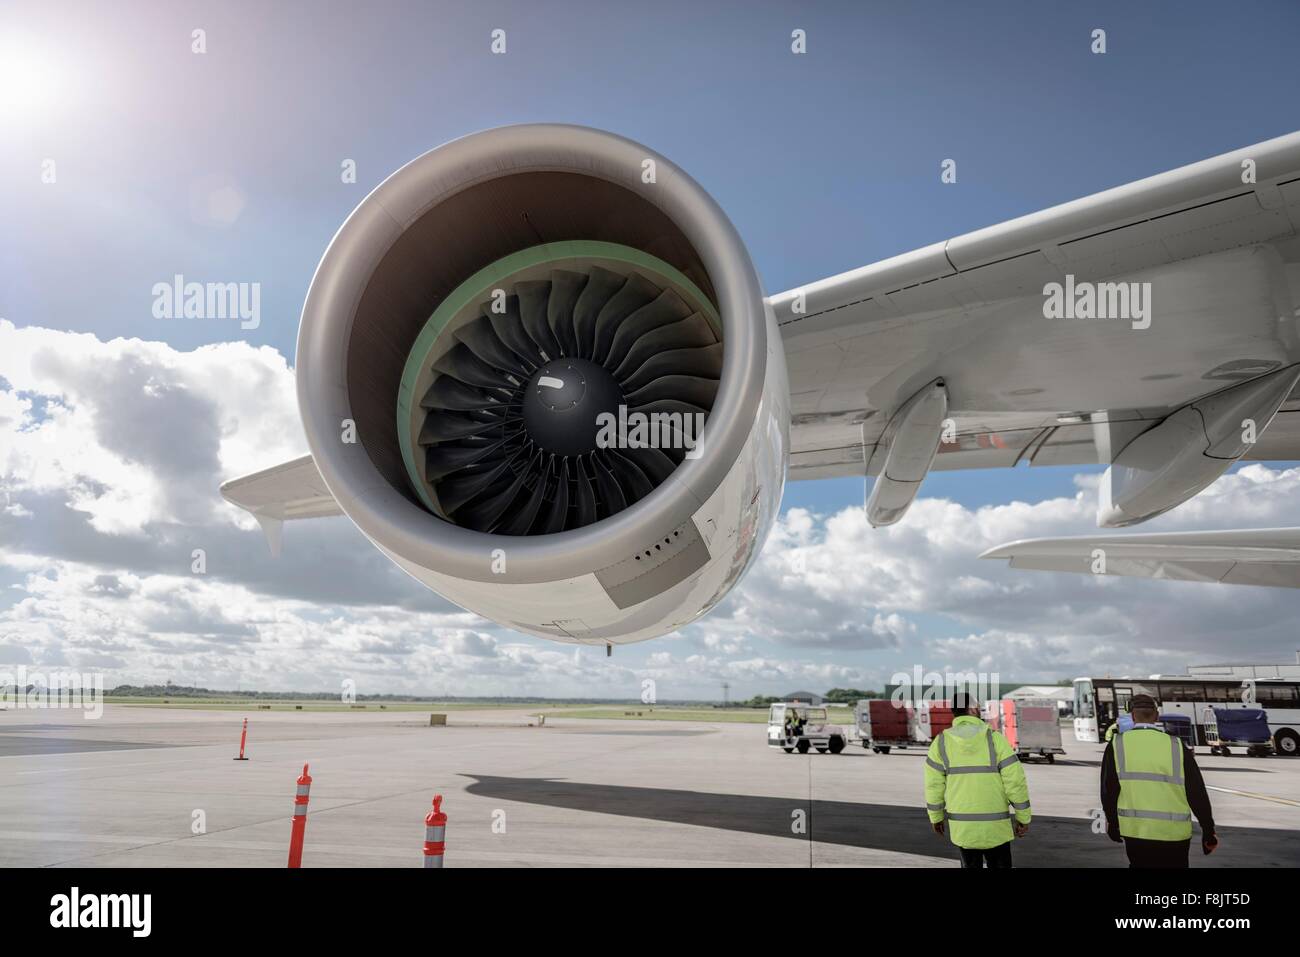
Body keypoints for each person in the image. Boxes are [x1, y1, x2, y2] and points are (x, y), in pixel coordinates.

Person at [1101, 693, 1218, 868]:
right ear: (1156, 716)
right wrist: (1208, 830)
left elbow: (1109, 790)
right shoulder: (1176, 745)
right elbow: (1196, 791)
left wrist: (1112, 822)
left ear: (1132, 716)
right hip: (1175, 833)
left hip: (1136, 831)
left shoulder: (1117, 744)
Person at [924, 693, 1031, 868]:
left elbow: (933, 785)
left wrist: (935, 817)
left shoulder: (941, 742)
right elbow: (1015, 781)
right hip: (996, 828)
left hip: (964, 828)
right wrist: (1023, 817)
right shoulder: (994, 738)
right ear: (972, 709)